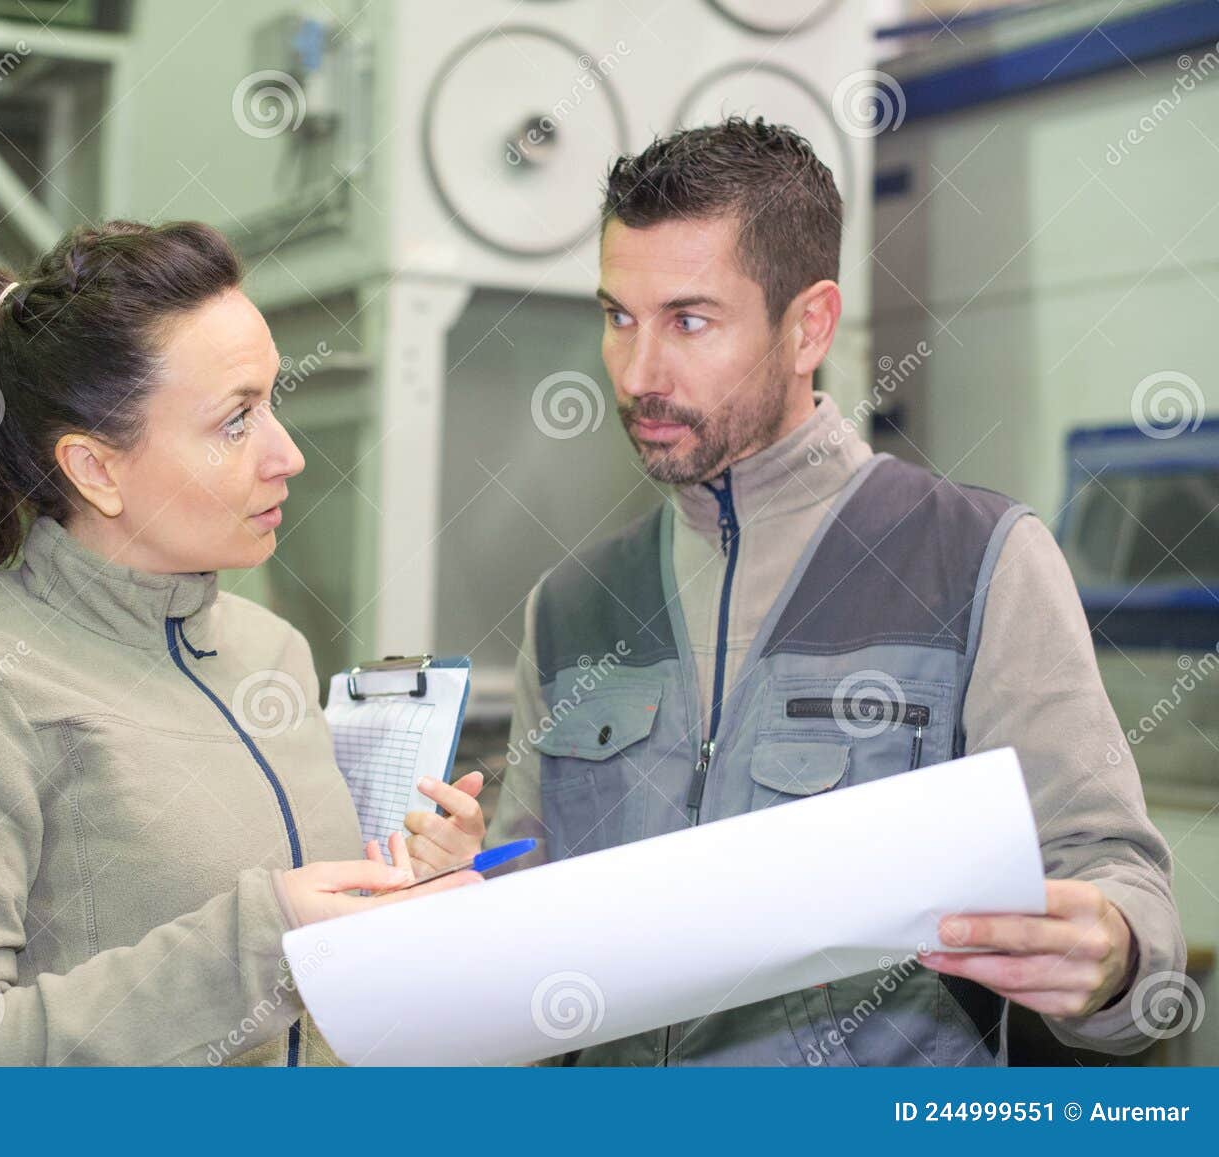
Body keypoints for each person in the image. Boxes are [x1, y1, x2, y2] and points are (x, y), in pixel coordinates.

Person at [413, 118, 1185, 1065]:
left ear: (808, 324)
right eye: (619, 316)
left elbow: (1115, 875)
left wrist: (1112, 954)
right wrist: (464, 891)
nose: (639, 372)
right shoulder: (571, 603)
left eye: (689, 320)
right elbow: (533, 896)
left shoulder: (975, 559)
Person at [0, 219, 479, 1066]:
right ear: (97, 469)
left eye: (273, 402)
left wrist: (401, 887)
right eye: (236, 420)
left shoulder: (271, 652)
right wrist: (259, 945)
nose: (288, 455)